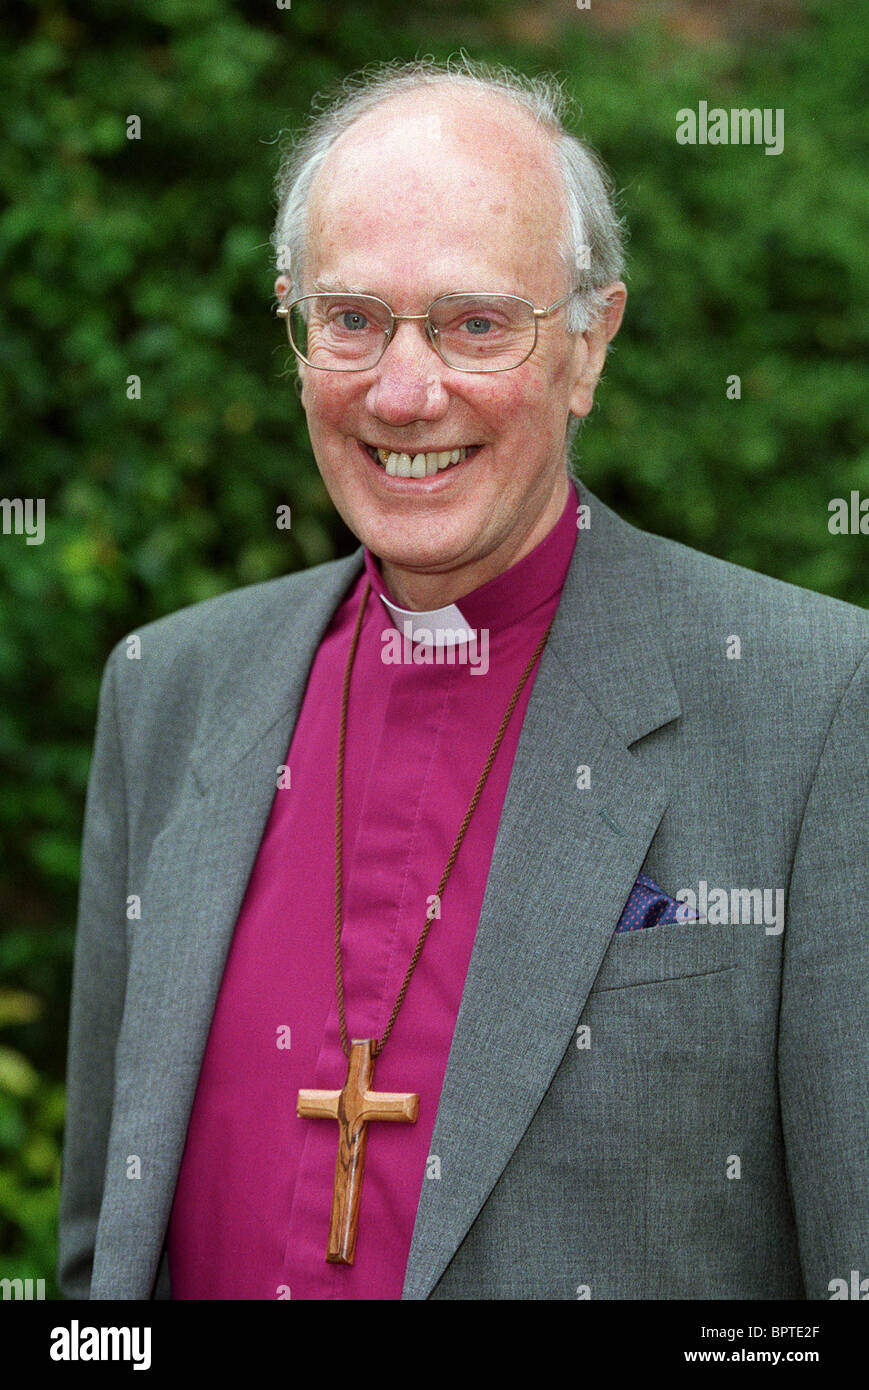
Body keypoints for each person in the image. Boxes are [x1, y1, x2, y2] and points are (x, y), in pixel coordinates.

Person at [58, 57, 868, 1301]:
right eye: (352, 319)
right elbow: (97, 1262)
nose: (403, 388)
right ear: (295, 329)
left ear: (589, 344)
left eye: (475, 323)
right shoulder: (164, 691)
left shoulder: (814, 704)